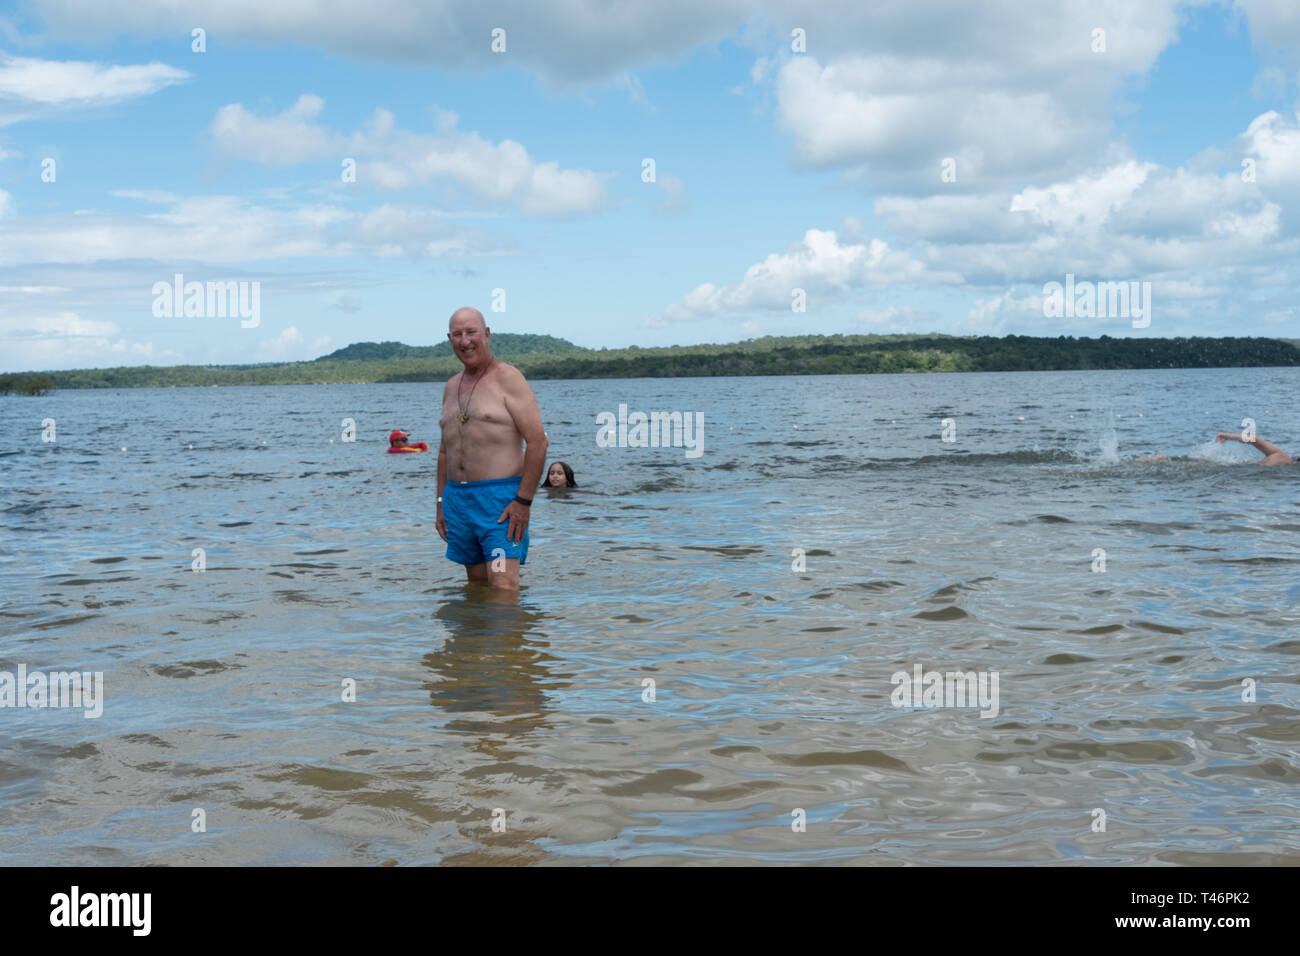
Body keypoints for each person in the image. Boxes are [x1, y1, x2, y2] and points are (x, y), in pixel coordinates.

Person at [435, 307, 548, 590]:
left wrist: (524, 501)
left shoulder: (508, 379)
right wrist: (440, 505)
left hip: (499, 500)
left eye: (471, 332)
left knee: (502, 586)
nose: (465, 341)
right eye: (457, 334)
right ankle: (475, 637)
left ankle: (513, 635)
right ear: (449, 339)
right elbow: (445, 451)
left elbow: (538, 441)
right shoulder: (451, 387)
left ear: (486, 333)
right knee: (476, 587)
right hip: (458, 500)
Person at [1138, 431, 1296, 465]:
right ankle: (1162, 460)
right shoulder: (1285, 461)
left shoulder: (1279, 454)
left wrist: (1226, 436)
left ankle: (1161, 459)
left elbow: (1253, 438)